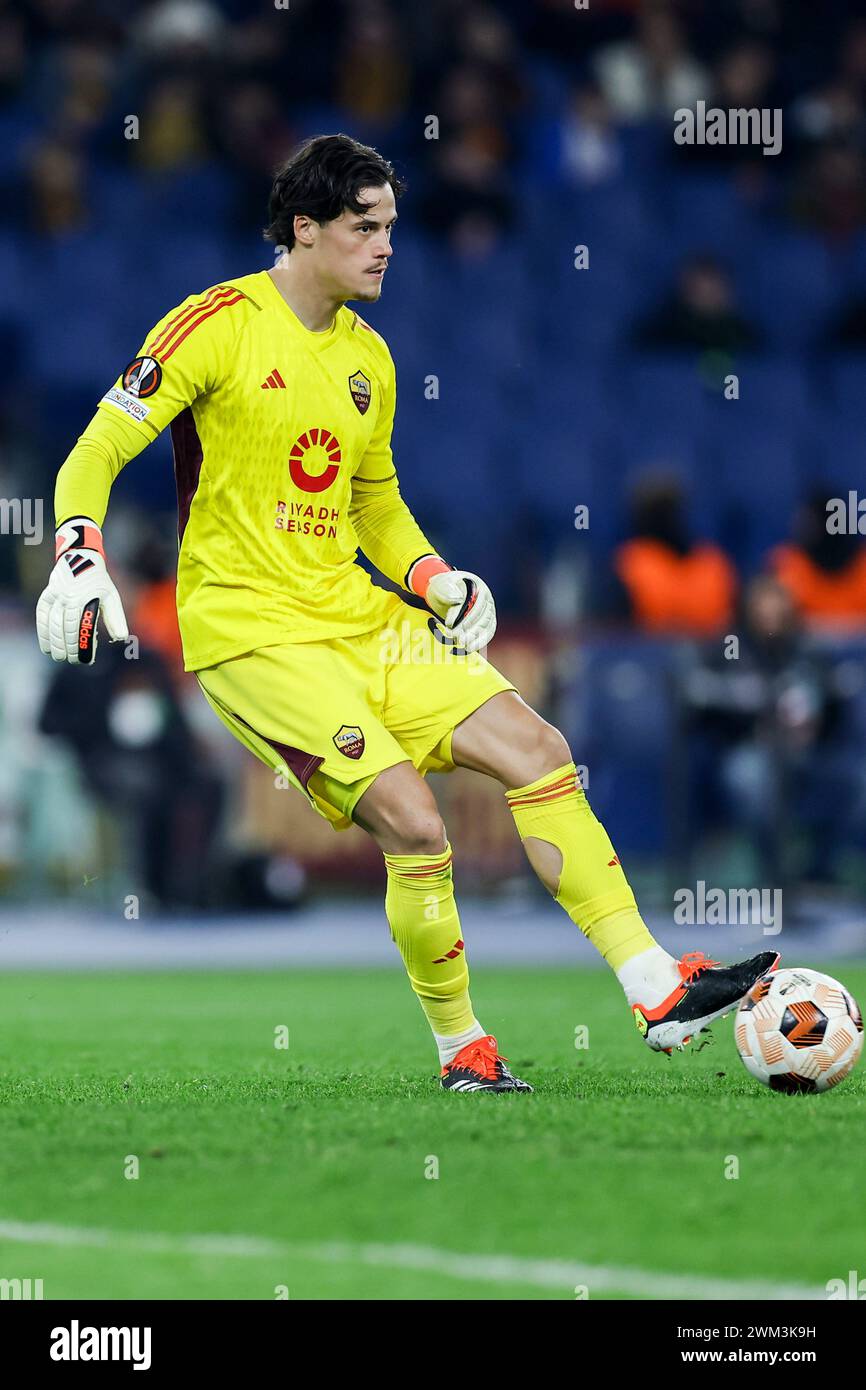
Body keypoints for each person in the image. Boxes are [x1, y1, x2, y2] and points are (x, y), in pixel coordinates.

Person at [35, 133, 776, 1090]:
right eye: (363, 228)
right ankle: (463, 1048)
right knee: (416, 821)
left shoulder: (369, 362)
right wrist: (78, 552)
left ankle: (655, 985)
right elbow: (91, 452)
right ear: (304, 230)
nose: (386, 246)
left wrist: (435, 581)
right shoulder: (213, 324)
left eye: (390, 227)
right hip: (251, 633)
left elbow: (373, 506)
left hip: (359, 617)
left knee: (538, 749)